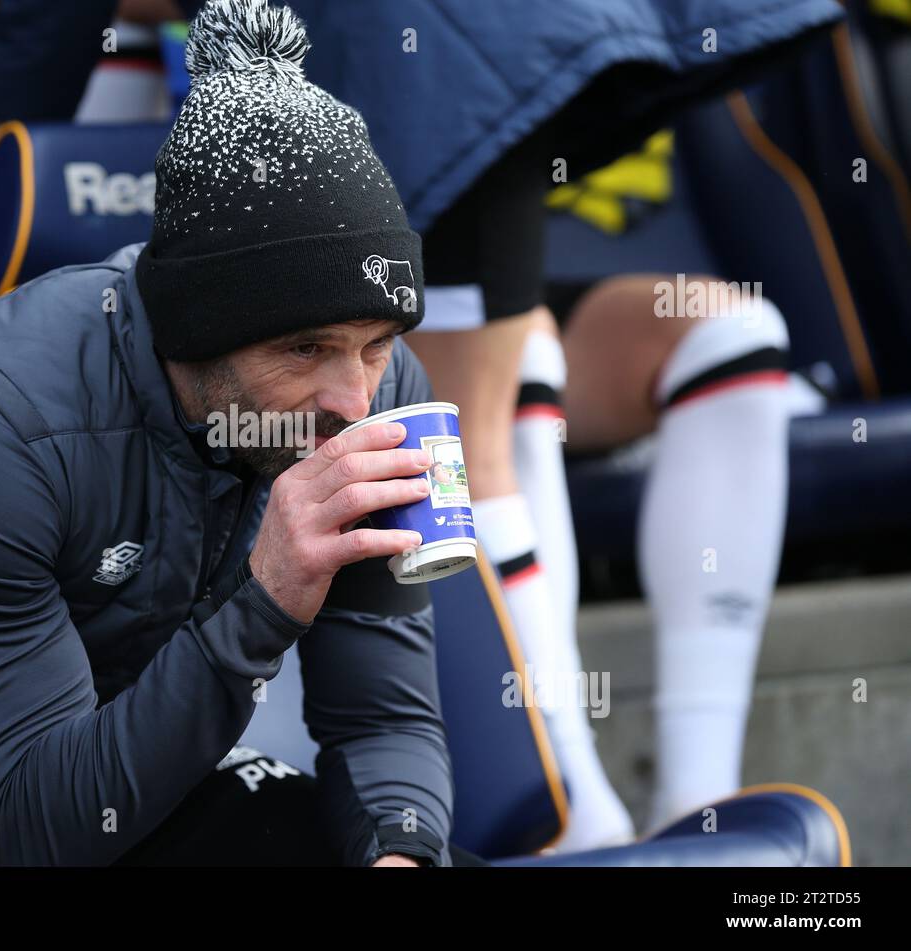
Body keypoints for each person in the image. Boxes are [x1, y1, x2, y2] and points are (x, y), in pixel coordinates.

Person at [0, 0, 488, 867]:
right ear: (195, 329)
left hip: (112, 763)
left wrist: (398, 855)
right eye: (304, 349)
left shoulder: (376, 390)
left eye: (376, 345)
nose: (352, 395)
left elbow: (383, 718)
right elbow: (41, 834)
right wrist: (264, 602)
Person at [287, 0, 841, 849]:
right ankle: (572, 805)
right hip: (408, 101)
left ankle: (699, 797)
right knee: (480, 422)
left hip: (462, 87)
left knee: (737, 336)